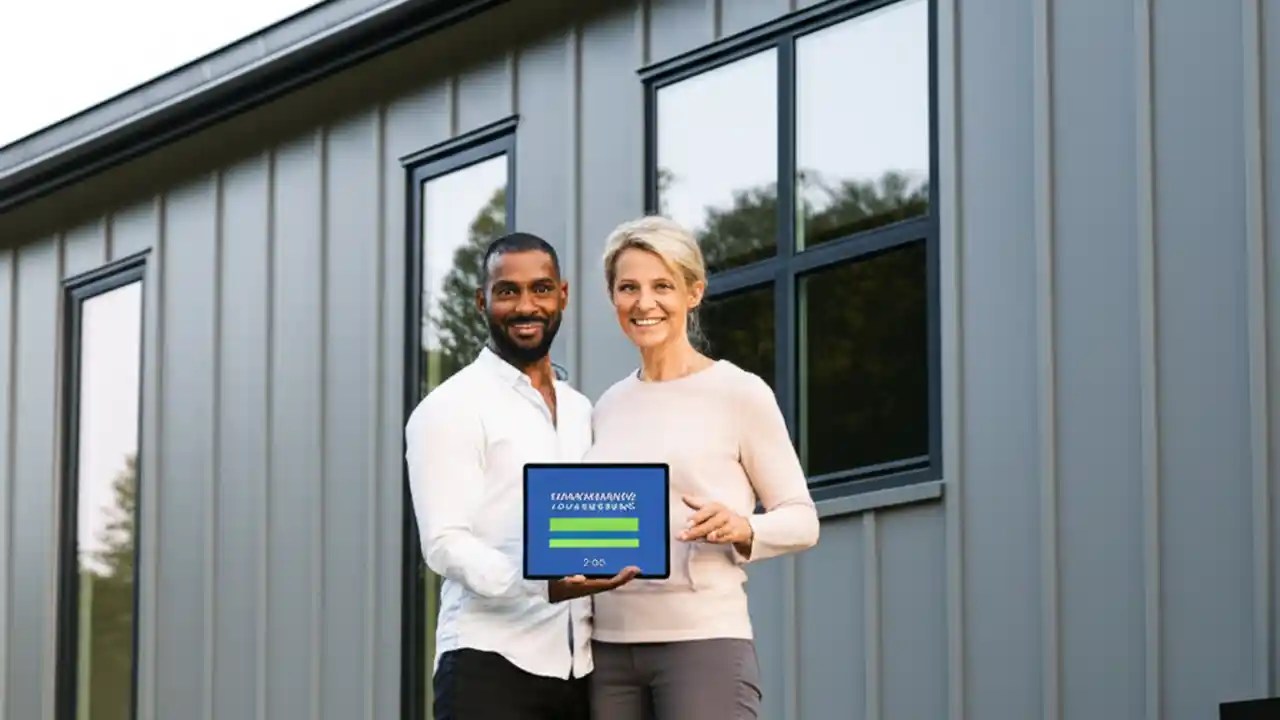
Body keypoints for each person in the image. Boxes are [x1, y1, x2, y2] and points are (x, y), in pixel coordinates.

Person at [584, 216, 821, 719]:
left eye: (662, 286)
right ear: (613, 298)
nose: (644, 303)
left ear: (693, 293)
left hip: (702, 641)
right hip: (607, 649)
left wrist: (744, 527)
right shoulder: (606, 406)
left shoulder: (738, 393)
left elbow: (803, 519)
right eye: (628, 288)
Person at [404, 231, 638, 720]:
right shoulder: (450, 407)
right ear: (482, 301)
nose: (526, 306)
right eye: (508, 291)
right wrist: (540, 583)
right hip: (489, 665)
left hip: (579, 671)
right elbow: (444, 543)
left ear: (562, 295)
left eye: (541, 289)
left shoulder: (580, 409)